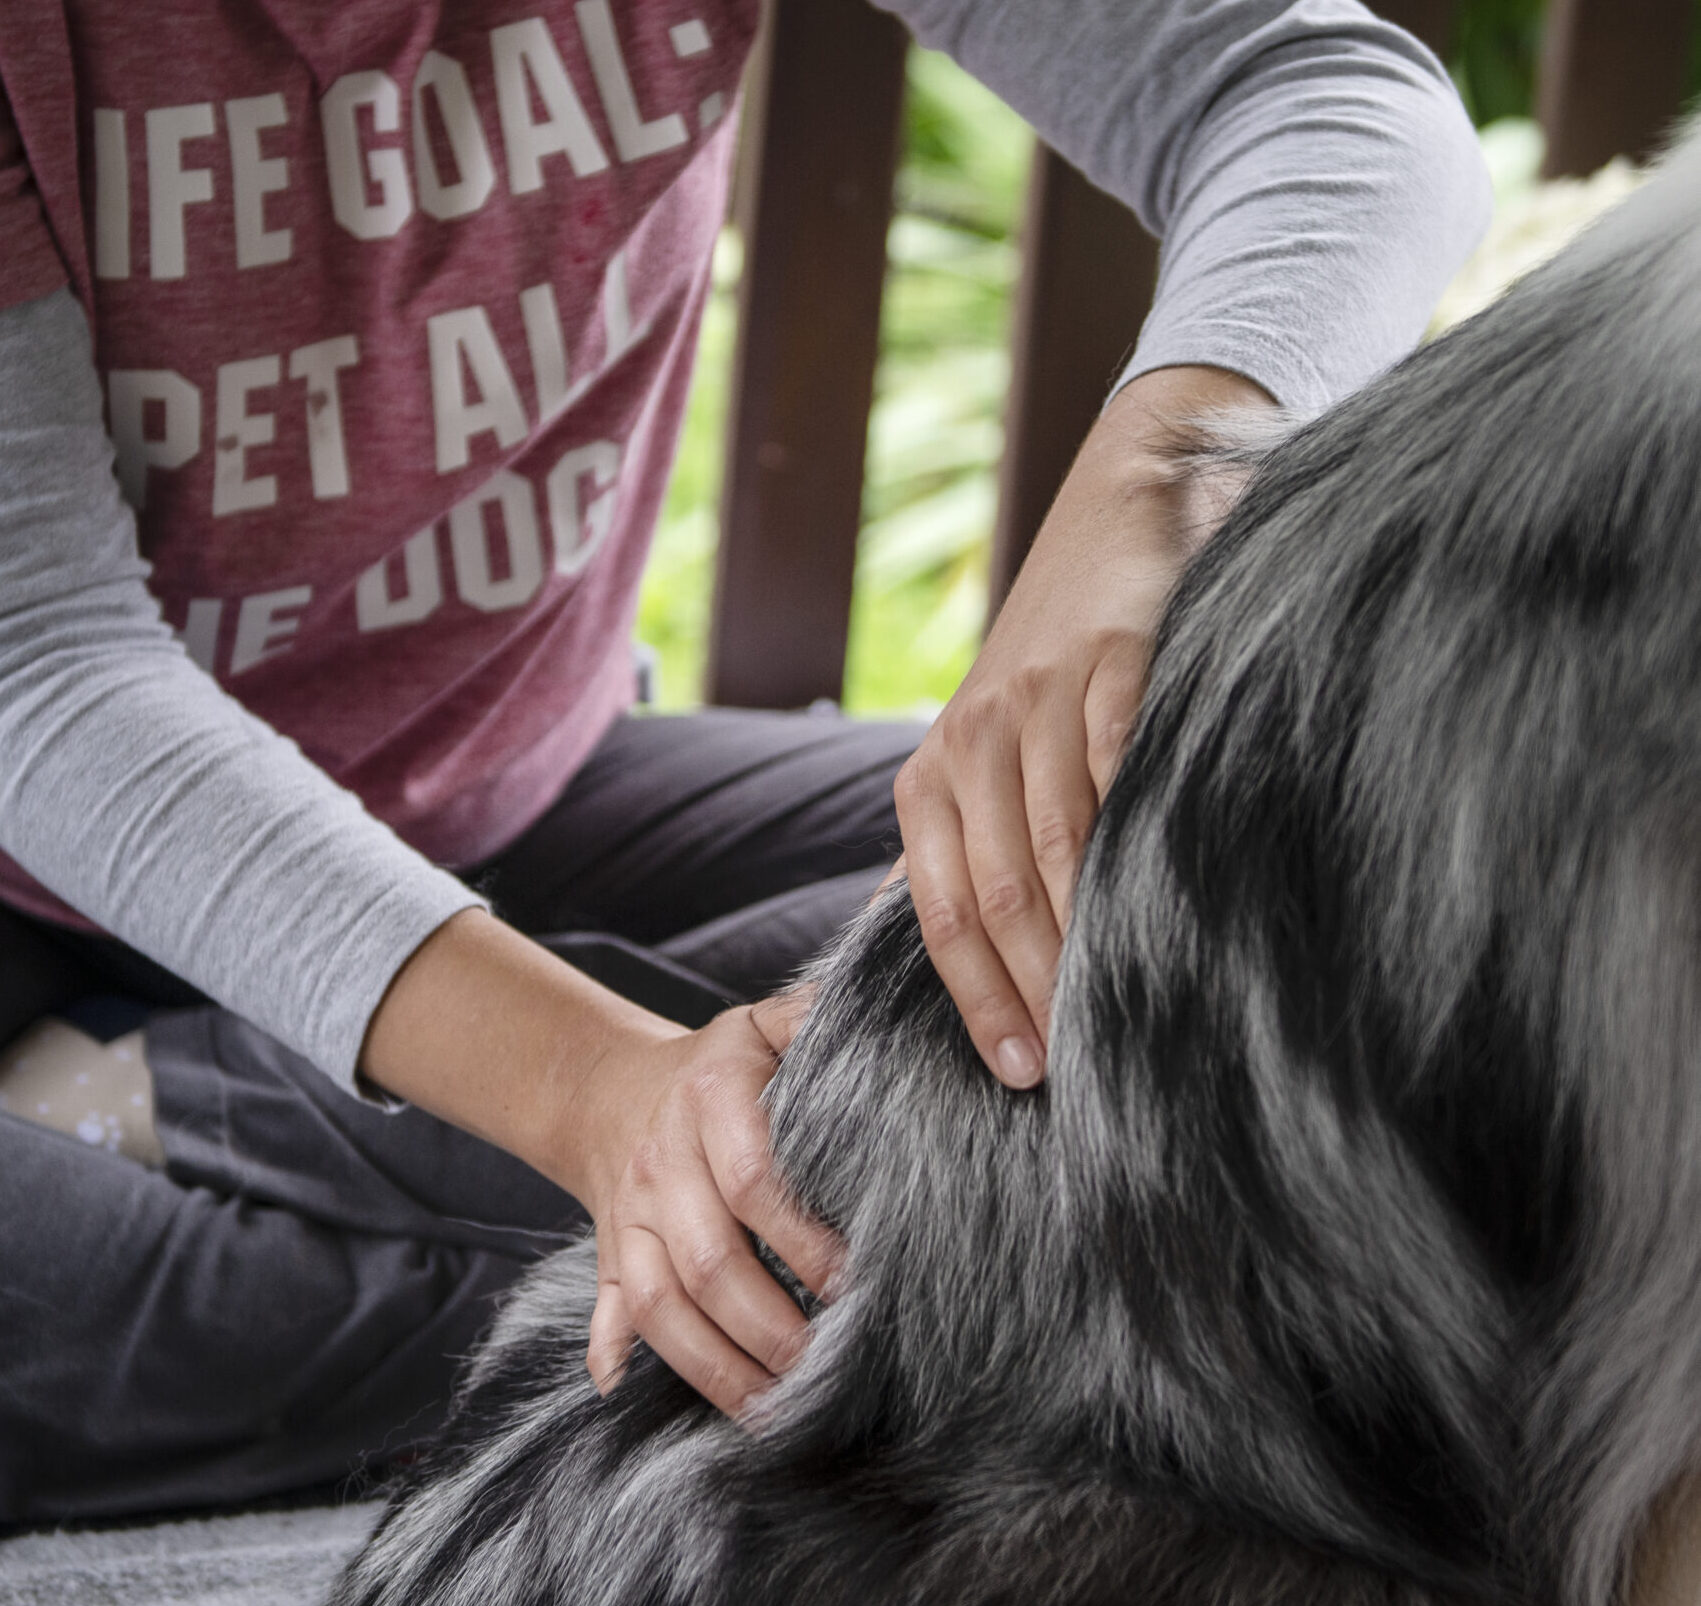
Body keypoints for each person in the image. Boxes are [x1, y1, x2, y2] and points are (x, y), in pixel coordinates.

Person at [0, 0, 1488, 1519]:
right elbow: (35, 664)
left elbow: (1327, 93)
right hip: (32, 877)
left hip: (517, 799)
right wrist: (592, 1092)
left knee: (1213, 870)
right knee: (975, 1156)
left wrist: (1157, 491)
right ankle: (871, 1303)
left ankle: (189, 1104)